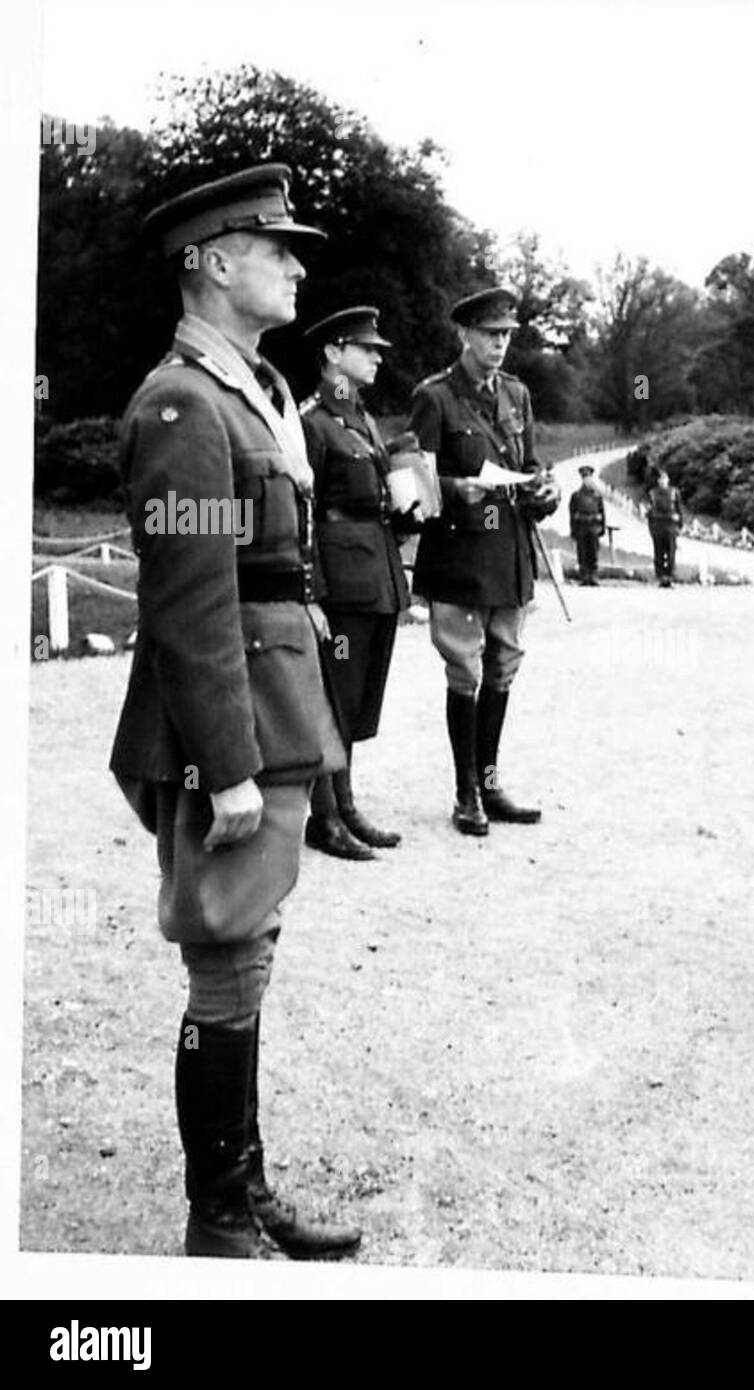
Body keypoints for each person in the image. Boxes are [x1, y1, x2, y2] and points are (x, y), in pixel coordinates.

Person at [108, 164, 362, 1258]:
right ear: (213, 263)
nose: (299, 265)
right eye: (278, 248)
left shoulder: (244, 387)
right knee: (225, 949)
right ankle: (217, 1214)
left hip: (275, 694)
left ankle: (241, 1188)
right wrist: (228, 763)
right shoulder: (182, 403)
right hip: (232, 715)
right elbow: (191, 601)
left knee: (247, 943)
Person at [408, 286, 561, 836]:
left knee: (503, 666)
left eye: (506, 337)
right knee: (465, 669)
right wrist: (454, 487)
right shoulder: (436, 397)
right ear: (463, 336)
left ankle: (491, 783)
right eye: (490, 335)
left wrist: (546, 491)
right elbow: (415, 482)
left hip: (510, 553)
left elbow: (533, 464)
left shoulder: (517, 395)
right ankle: (465, 791)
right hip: (461, 552)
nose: (499, 346)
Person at [299, 306, 413, 861]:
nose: (376, 357)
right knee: (333, 700)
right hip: (340, 585)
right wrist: (310, 593)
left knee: (358, 698)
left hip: (375, 577)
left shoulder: (364, 421)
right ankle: (323, 817)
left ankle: (344, 805)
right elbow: (301, 515)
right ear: (332, 354)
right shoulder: (312, 422)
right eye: (365, 348)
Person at [569, 463, 607, 585]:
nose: (587, 480)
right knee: (583, 553)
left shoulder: (597, 496)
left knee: (593, 553)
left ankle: (594, 576)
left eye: (589, 478)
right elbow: (572, 514)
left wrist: (602, 528)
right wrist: (573, 530)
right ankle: (584, 576)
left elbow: (602, 513)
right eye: (585, 478)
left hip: (594, 527)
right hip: (581, 527)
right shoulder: (576, 496)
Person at [646, 468, 683, 586]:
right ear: (658, 481)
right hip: (658, 526)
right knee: (659, 553)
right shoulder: (652, 493)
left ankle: (670, 576)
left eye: (664, 479)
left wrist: (680, 526)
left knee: (671, 552)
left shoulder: (674, 492)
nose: (662, 481)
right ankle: (661, 577)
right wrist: (651, 528)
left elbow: (679, 509)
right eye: (660, 479)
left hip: (671, 526)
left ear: (668, 480)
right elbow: (650, 512)